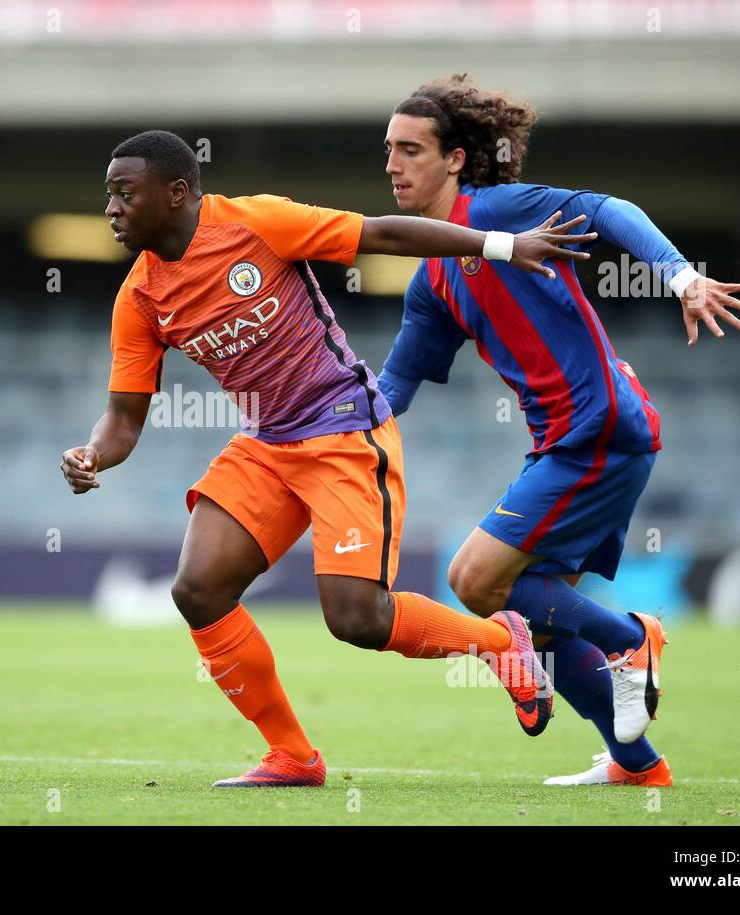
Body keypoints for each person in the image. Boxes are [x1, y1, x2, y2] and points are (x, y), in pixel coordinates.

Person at [61, 129, 597, 787]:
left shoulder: (256, 223)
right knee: (197, 589)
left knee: (358, 619)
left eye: (124, 193)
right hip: (267, 442)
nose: (111, 208)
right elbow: (122, 419)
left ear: (177, 192)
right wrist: (92, 454)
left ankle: (499, 640)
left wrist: (503, 245)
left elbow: (385, 236)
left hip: (344, 430)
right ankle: (293, 755)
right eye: (108, 195)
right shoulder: (139, 298)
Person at [377, 75, 740, 786]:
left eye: (410, 150)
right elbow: (393, 387)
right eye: (387, 151)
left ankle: (631, 636)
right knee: (546, 621)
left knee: (476, 579)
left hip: (595, 427)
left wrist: (679, 278)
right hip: (574, 437)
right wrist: (313, 416)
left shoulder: (498, 209)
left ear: (455, 159)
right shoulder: (433, 277)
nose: (392, 165)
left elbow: (610, 210)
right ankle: (636, 764)